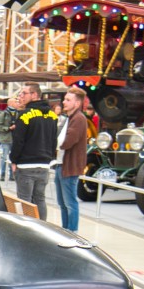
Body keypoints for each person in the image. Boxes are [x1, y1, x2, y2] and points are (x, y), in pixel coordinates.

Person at [9, 82, 58, 222]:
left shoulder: (25, 115)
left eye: (24, 93)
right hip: (44, 164)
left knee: (25, 201)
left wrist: (14, 160)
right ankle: (42, 227)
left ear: (35, 95)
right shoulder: (52, 116)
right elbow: (53, 141)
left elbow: (18, 141)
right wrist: (49, 158)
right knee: (40, 199)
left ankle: (27, 230)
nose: (21, 96)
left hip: (26, 165)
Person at [55, 86, 89, 232]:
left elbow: (69, 140)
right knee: (63, 202)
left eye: (68, 100)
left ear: (77, 103)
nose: (64, 102)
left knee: (69, 202)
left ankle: (72, 231)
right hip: (61, 164)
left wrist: (56, 145)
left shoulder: (78, 119)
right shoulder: (70, 118)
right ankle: (66, 230)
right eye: (64, 99)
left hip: (68, 167)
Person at [0, 96, 18, 181]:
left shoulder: (17, 113)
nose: (17, 104)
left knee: (13, 157)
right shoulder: (3, 113)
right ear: (11, 103)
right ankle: (3, 174)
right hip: (6, 139)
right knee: (5, 157)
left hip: (14, 139)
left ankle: (12, 175)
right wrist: (8, 128)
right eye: (16, 102)